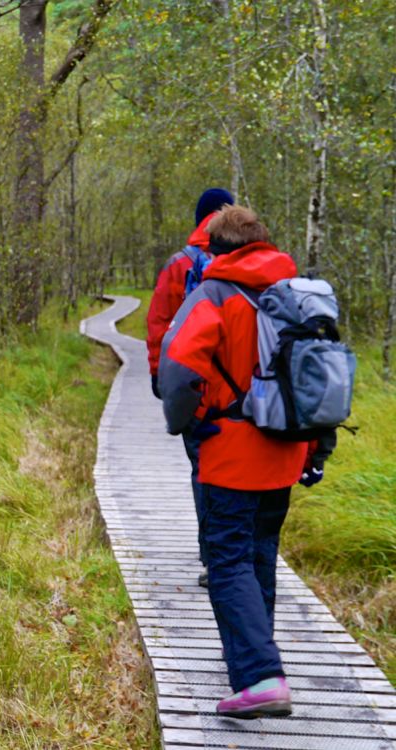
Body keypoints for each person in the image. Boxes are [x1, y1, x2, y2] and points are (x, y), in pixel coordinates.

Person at [158, 205, 333, 719]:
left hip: (230, 453)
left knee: (228, 559)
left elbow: (177, 368)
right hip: (285, 453)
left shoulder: (212, 295)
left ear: (215, 248)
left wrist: (184, 422)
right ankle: (255, 660)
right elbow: (322, 378)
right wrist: (316, 448)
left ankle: (259, 675)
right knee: (259, 555)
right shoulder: (297, 294)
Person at [146, 187, 234, 586]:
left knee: (205, 469)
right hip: (249, 394)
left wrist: (157, 375)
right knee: (242, 473)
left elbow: (161, 325)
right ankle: (239, 556)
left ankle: (211, 555)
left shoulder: (180, 264)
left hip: (198, 390)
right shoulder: (254, 258)